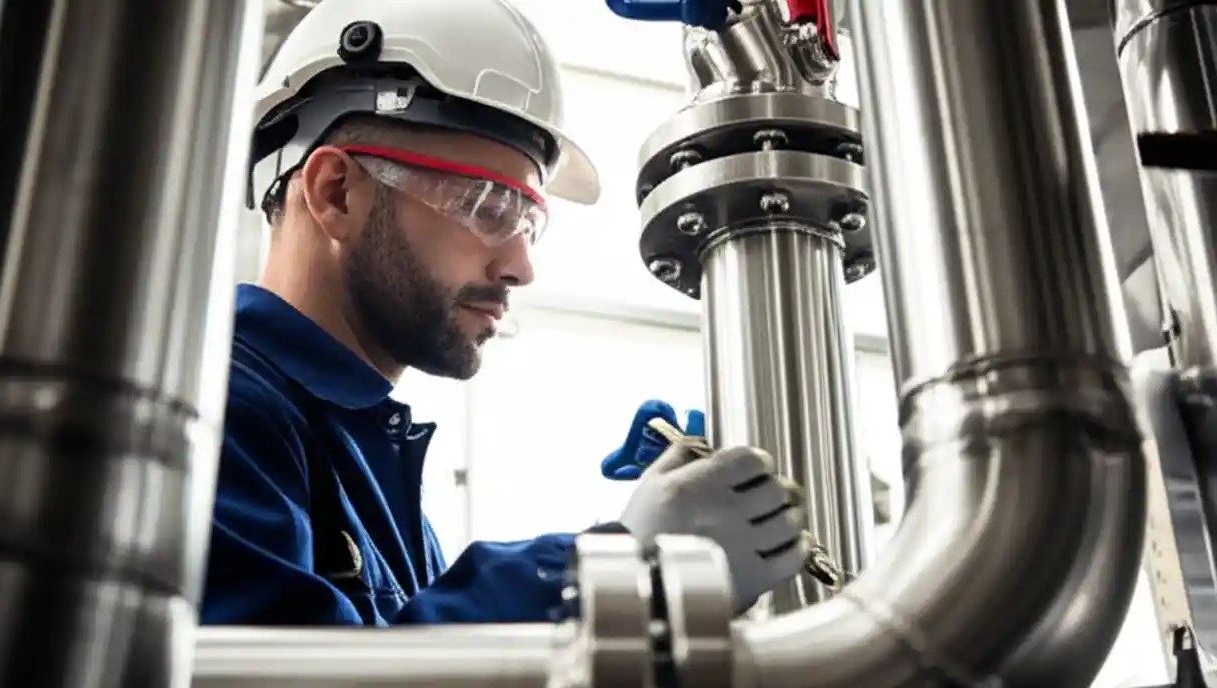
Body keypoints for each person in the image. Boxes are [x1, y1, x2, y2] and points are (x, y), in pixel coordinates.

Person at [201, 0, 807, 627]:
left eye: (528, 223)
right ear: (336, 192)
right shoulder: (218, 416)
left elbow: (420, 681)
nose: (521, 266)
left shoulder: (367, 470)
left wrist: (653, 559)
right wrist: (613, 568)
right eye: (488, 207)